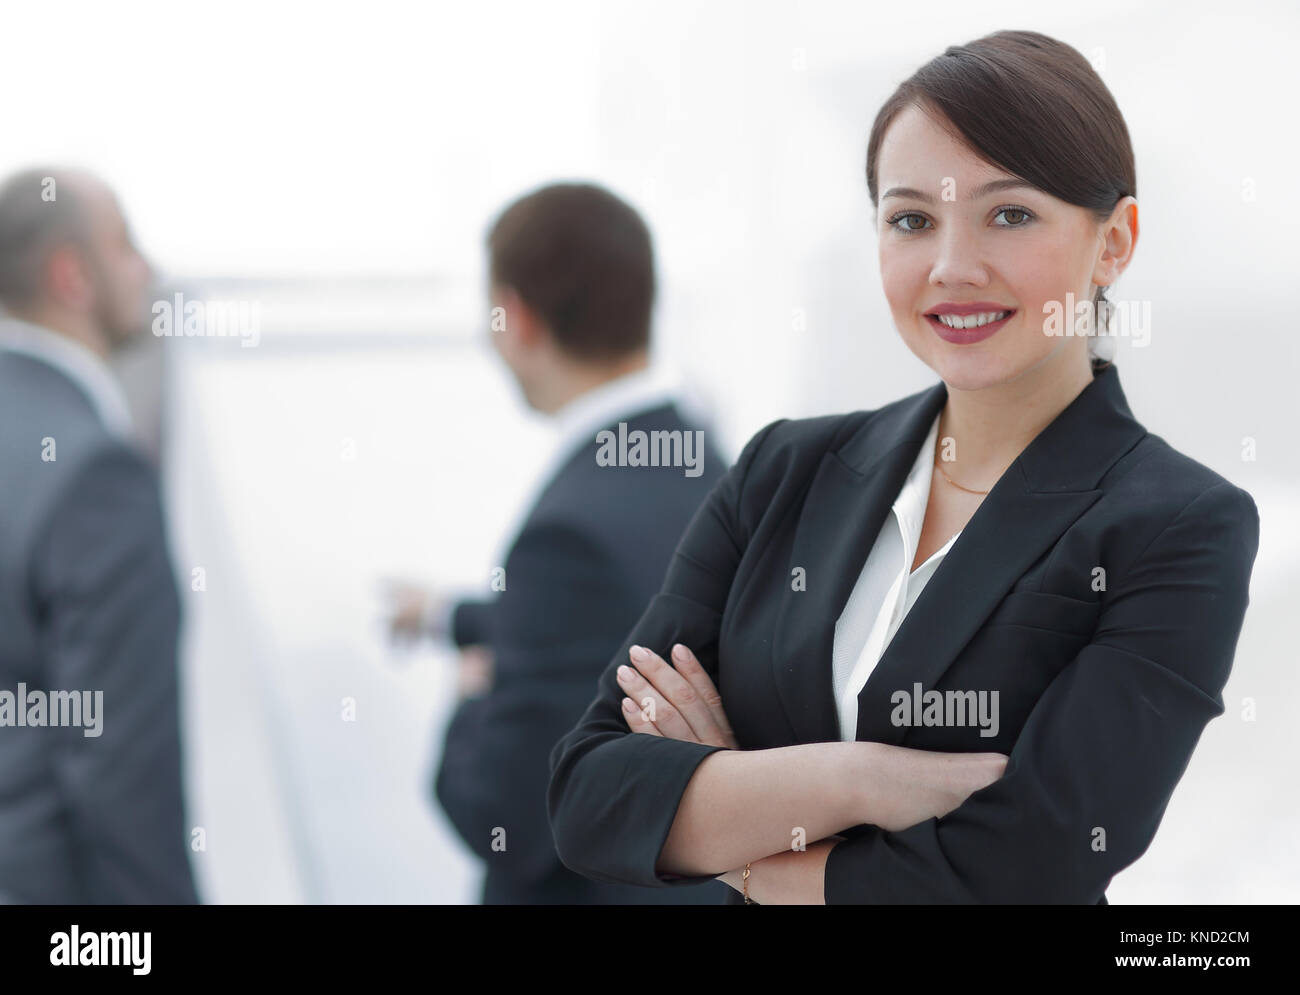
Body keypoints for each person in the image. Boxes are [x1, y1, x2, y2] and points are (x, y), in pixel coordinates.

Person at [547, 31, 1260, 905]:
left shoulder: (1179, 524)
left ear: (1114, 242)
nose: (953, 268)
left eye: (1010, 214)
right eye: (911, 219)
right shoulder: (783, 470)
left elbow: (1032, 862)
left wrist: (736, 822)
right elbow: (588, 794)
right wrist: (859, 779)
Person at [420, 182, 729, 903]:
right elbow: (621, 623)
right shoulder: (708, 462)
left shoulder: (565, 535)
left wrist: (469, 693)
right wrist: (449, 614)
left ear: (519, 319)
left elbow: (503, 813)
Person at [0, 168, 199, 903]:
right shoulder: (96, 472)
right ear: (70, 276)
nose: (144, 269)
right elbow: (120, 764)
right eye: (124, 246)